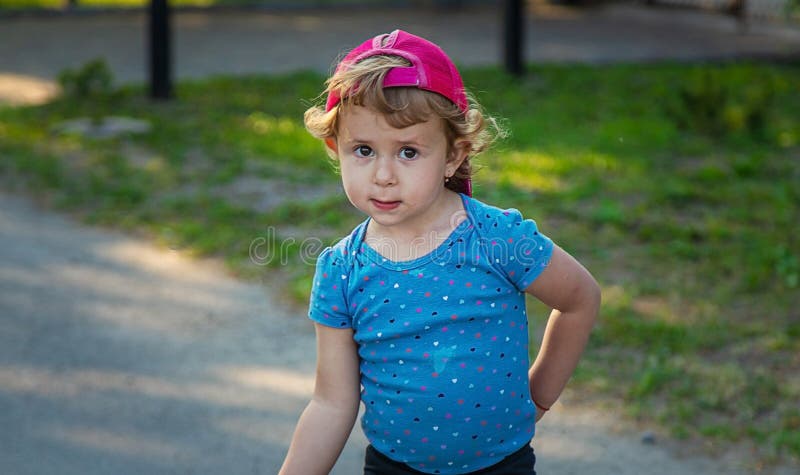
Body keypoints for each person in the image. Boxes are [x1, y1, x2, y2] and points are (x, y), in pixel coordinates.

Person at [279, 29, 601, 475]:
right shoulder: (341, 270)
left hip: (500, 466)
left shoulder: (495, 238)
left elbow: (579, 298)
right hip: (394, 468)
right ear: (336, 150)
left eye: (408, 151)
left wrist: (539, 395)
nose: (384, 175)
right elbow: (331, 403)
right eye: (364, 150)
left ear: (453, 155)